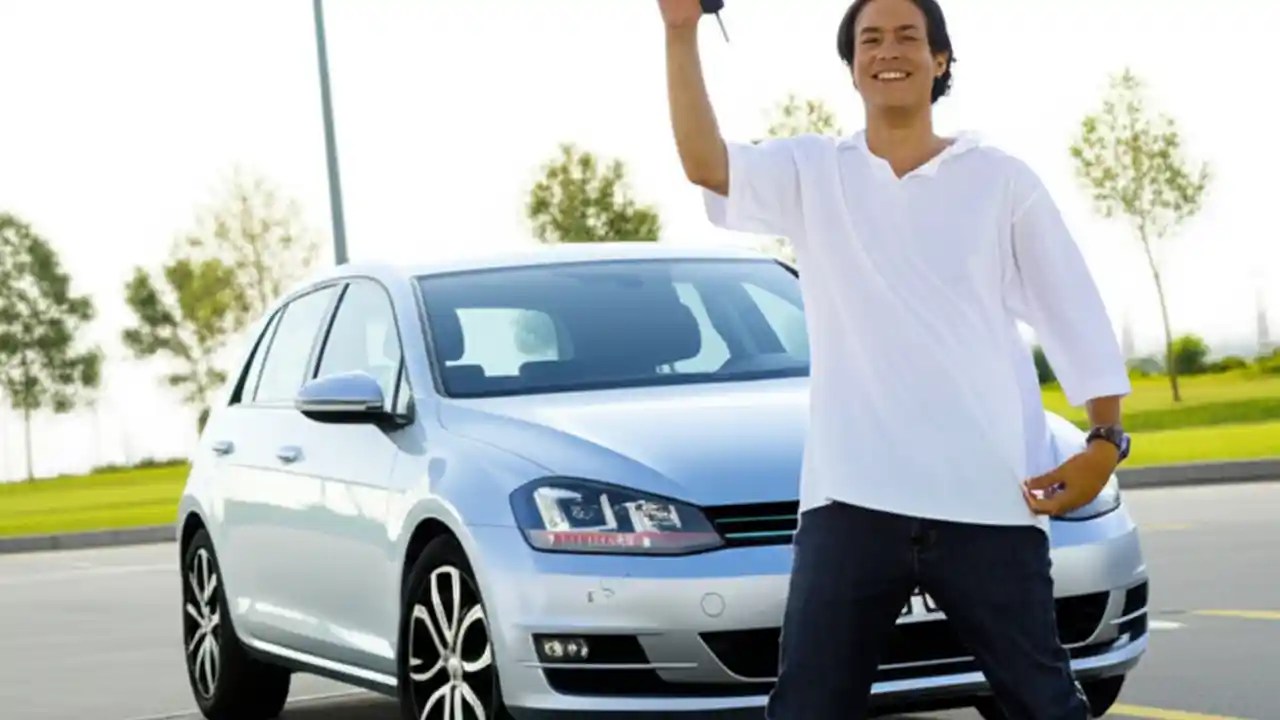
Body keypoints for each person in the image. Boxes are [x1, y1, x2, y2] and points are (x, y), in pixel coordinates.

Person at [657, 0, 1134, 718]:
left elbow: (1072, 305)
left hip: (987, 496)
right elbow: (705, 161)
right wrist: (680, 30)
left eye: (908, 36)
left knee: (1043, 703)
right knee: (810, 705)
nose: (889, 50)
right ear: (852, 67)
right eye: (869, 39)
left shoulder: (999, 179)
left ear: (940, 60)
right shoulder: (813, 172)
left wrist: (1104, 438)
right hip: (852, 498)